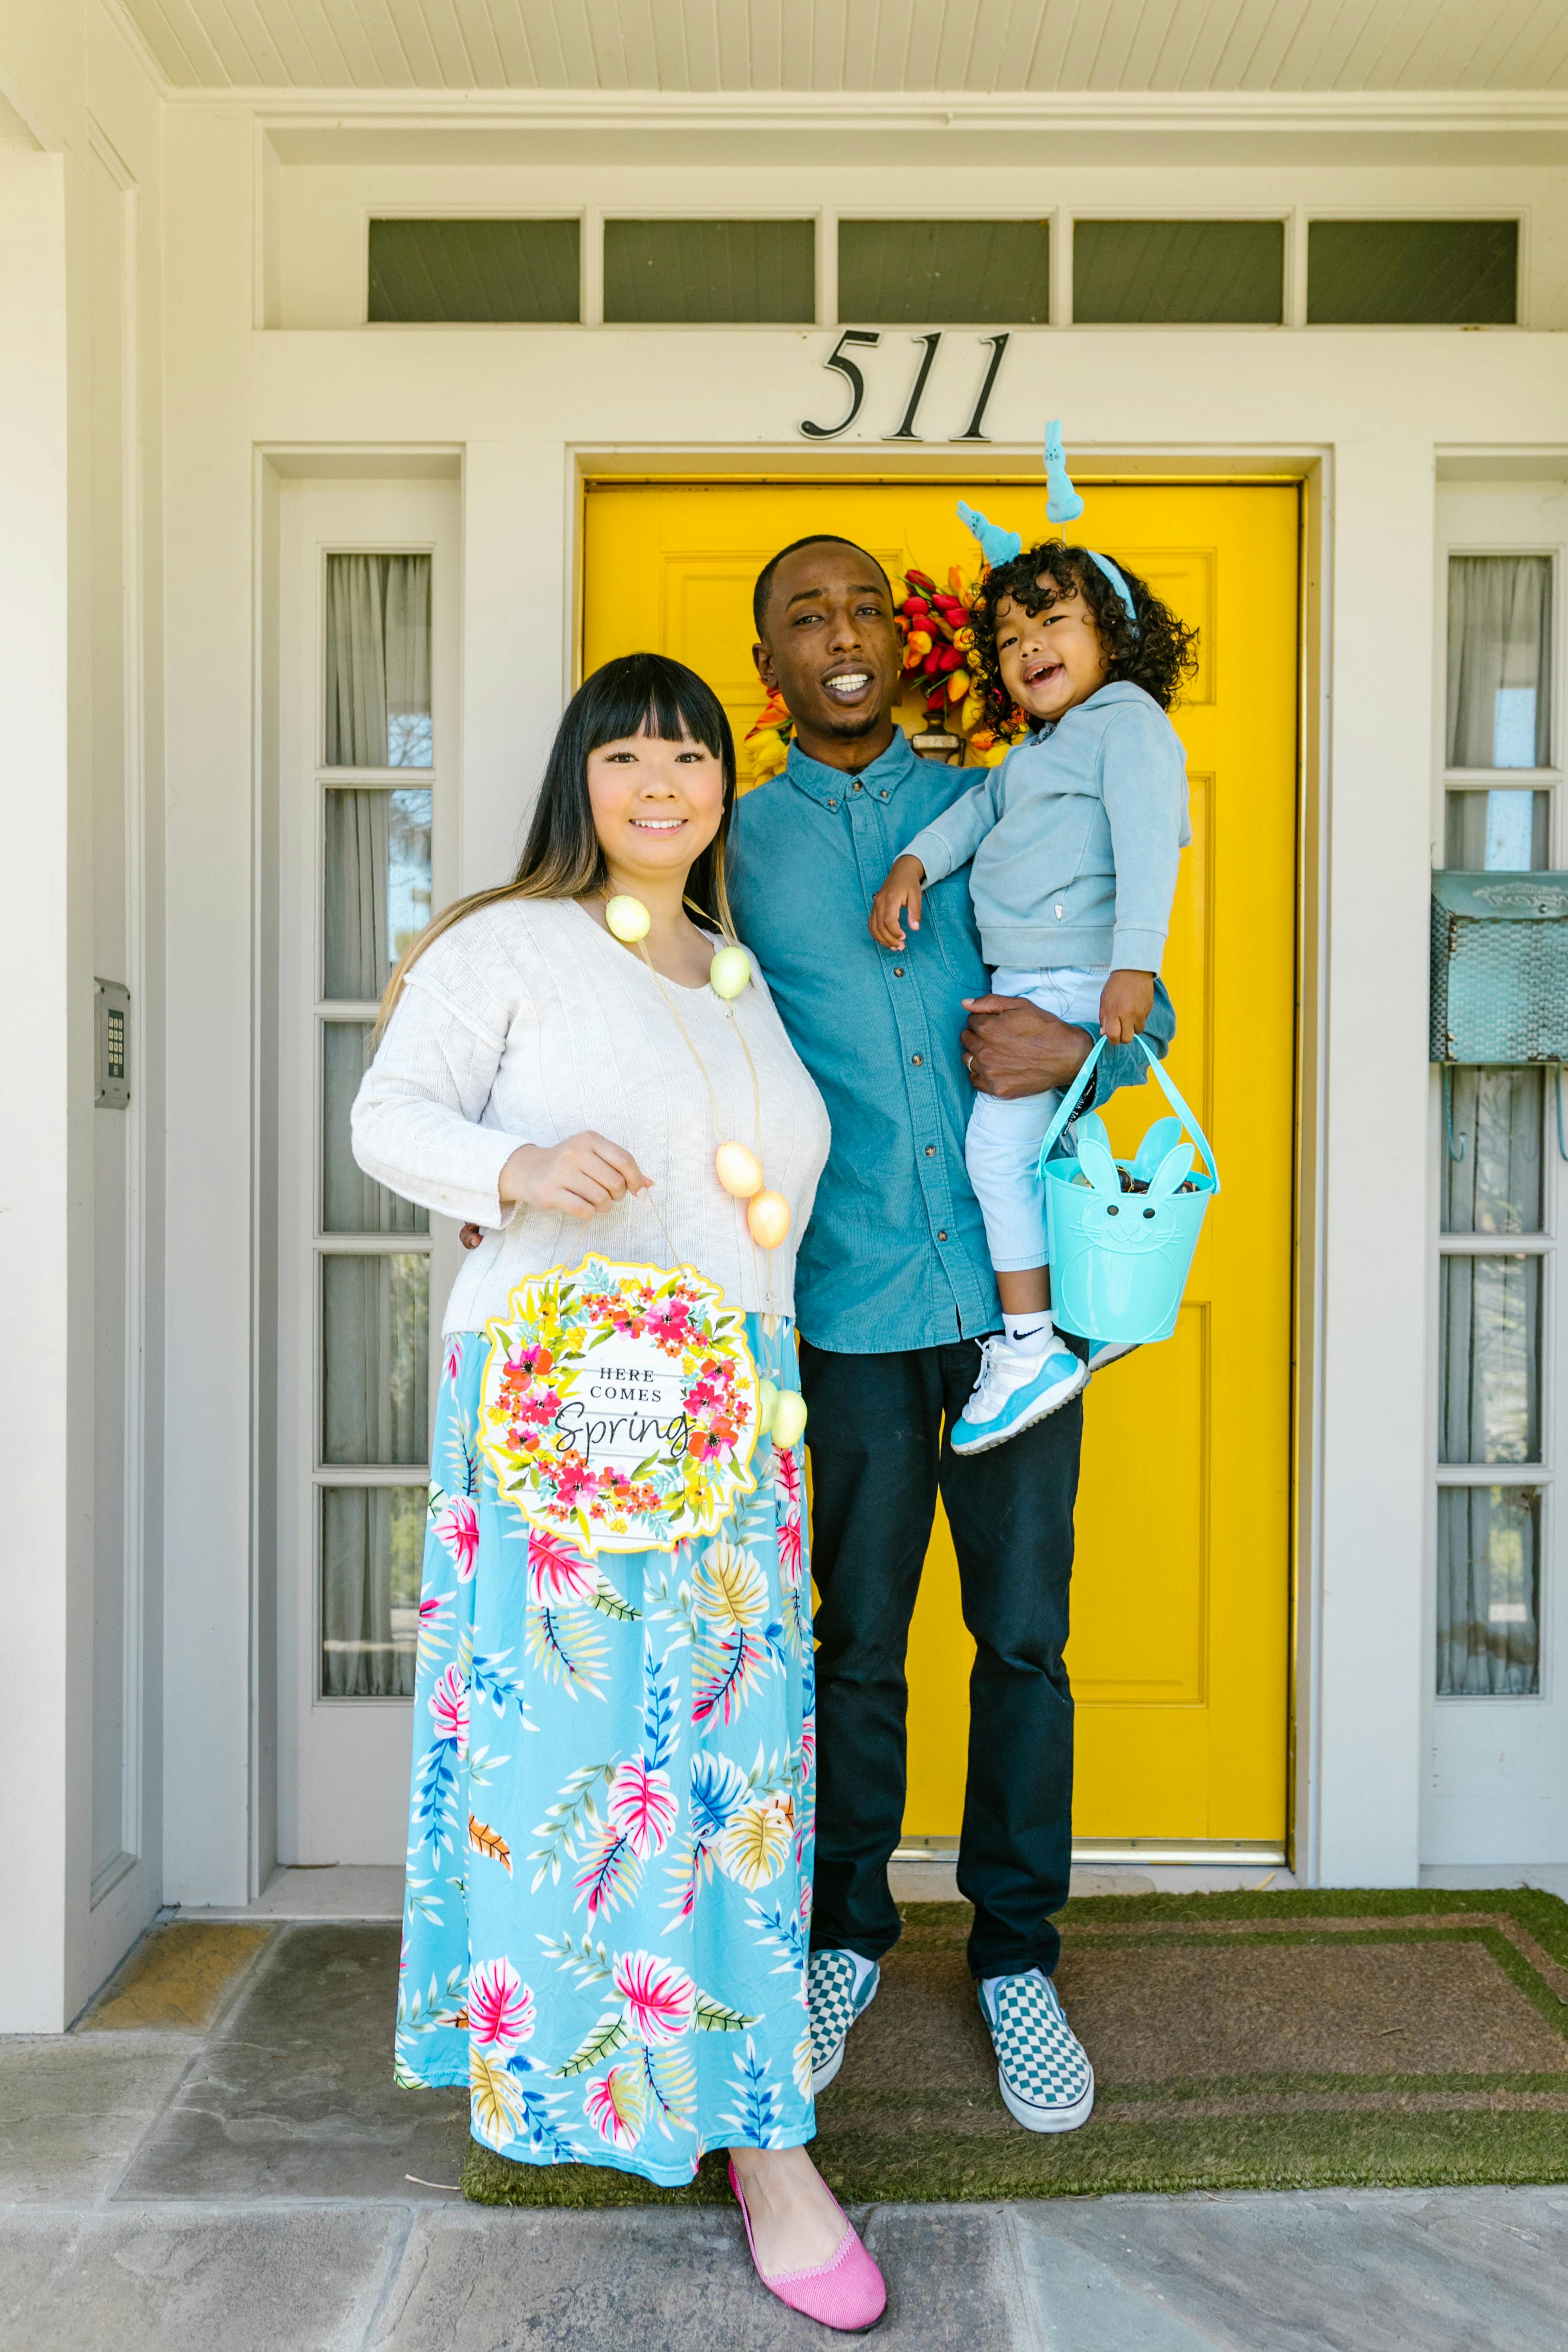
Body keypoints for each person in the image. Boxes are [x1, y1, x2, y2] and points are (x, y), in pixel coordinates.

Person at [353, 653, 884, 2333]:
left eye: (691, 753)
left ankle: (755, 2130)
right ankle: (588, 2074)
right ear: (579, 775)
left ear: (726, 783)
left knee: (731, 1773)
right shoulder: (503, 944)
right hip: (563, 1414)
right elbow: (384, 1114)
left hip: (728, 1426)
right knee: (577, 1770)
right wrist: (509, 1169)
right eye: (627, 751)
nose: (662, 781)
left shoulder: (735, 971)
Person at [725, 535, 1175, 2137]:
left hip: (1013, 1310)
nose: (838, 637)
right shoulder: (733, 836)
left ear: (908, 646)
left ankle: (1016, 1956)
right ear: (768, 661)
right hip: (841, 1300)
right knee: (850, 1641)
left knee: (1024, 1637)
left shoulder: (1008, 785)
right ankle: (845, 1929)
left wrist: (1090, 1037)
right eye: (804, 617)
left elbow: (1132, 982)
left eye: (861, 609)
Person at [870, 535, 1197, 1454]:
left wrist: (1136, 961)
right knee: (1060, 1159)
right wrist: (910, 865)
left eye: (1053, 622)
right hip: (1035, 974)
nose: (1029, 647)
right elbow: (972, 816)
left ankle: (1029, 1350)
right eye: (1011, 637)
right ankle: (1101, 1303)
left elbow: (1144, 839)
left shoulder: (1127, 722)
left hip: (1075, 970)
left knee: (995, 1159)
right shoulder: (1033, 755)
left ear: (1116, 641)